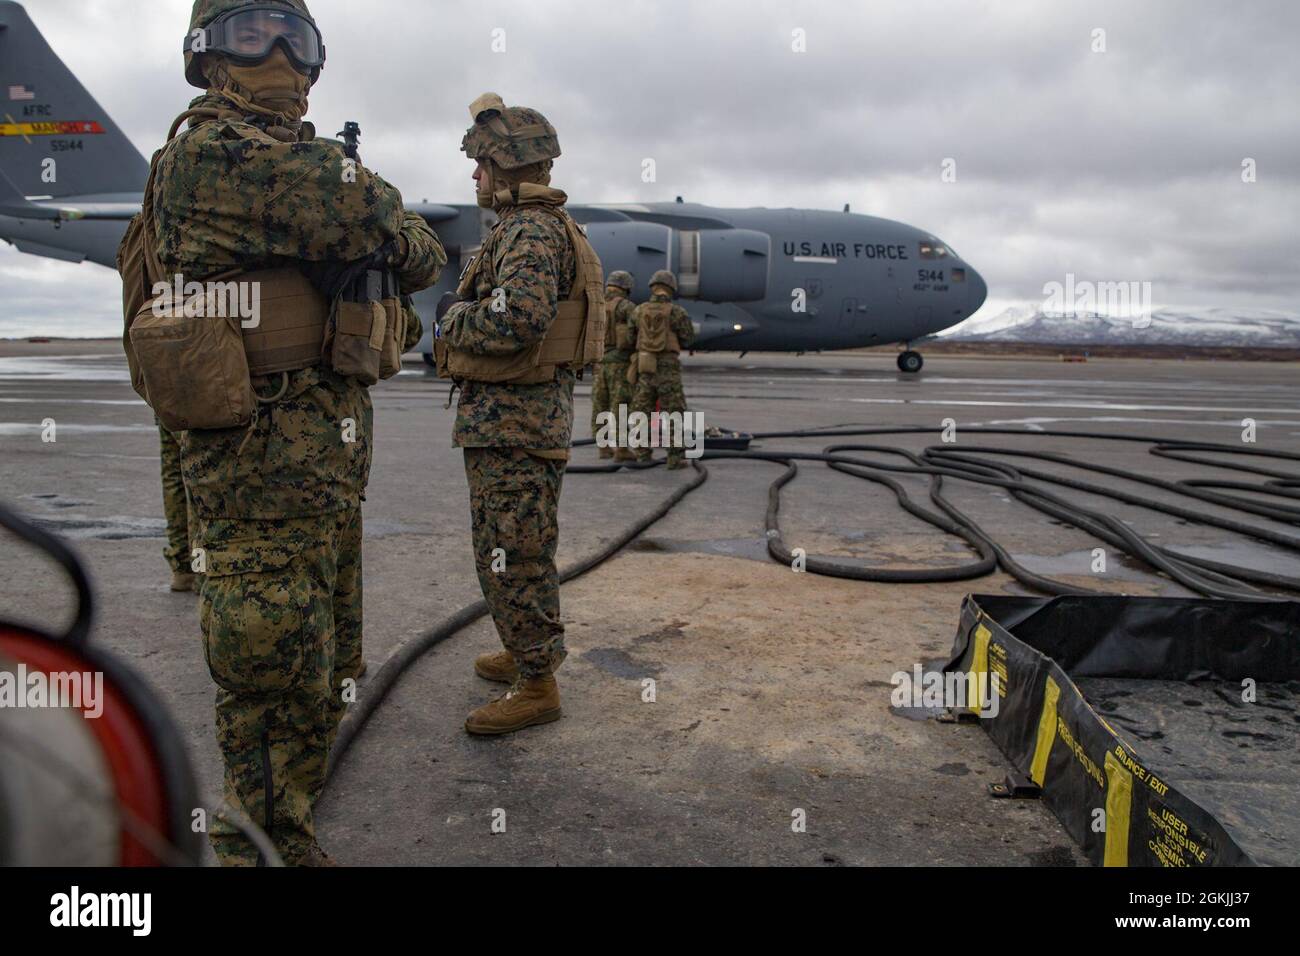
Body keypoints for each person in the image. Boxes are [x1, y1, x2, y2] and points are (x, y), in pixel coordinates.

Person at [138, 0, 444, 864]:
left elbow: (406, 250)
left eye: (293, 39)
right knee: (272, 691)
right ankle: (258, 853)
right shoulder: (207, 154)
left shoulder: (298, 163)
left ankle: (290, 839)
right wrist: (380, 217)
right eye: (248, 36)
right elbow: (386, 225)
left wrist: (383, 232)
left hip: (321, 470)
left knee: (323, 675)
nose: (277, 57)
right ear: (206, 58)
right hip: (258, 471)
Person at [436, 92, 605, 736]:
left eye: (481, 166)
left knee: (515, 548)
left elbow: (518, 320)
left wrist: (453, 319)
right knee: (510, 543)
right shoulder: (525, 226)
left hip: (516, 421)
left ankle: (538, 681)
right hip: (512, 420)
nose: (474, 177)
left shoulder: (530, 231)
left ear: (507, 168)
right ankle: (521, 650)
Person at [629, 269, 695, 469]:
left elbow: (631, 337)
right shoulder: (676, 312)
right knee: (673, 412)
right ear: (671, 288)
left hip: (645, 366)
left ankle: (642, 455)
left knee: (641, 410)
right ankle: (674, 458)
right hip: (668, 369)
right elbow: (688, 338)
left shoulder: (639, 310)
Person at [590, 270, 638, 460]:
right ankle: (622, 449)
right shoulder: (626, 306)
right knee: (621, 406)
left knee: (599, 404)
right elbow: (637, 329)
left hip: (599, 363)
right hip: (620, 363)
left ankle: (603, 447)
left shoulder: (596, 304)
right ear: (626, 287)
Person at [157, 420, 196, 591]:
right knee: (200, 479)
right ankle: (200, 568)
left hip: (167, 400)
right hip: (204, 404)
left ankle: (183, 568)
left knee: (173, 473)